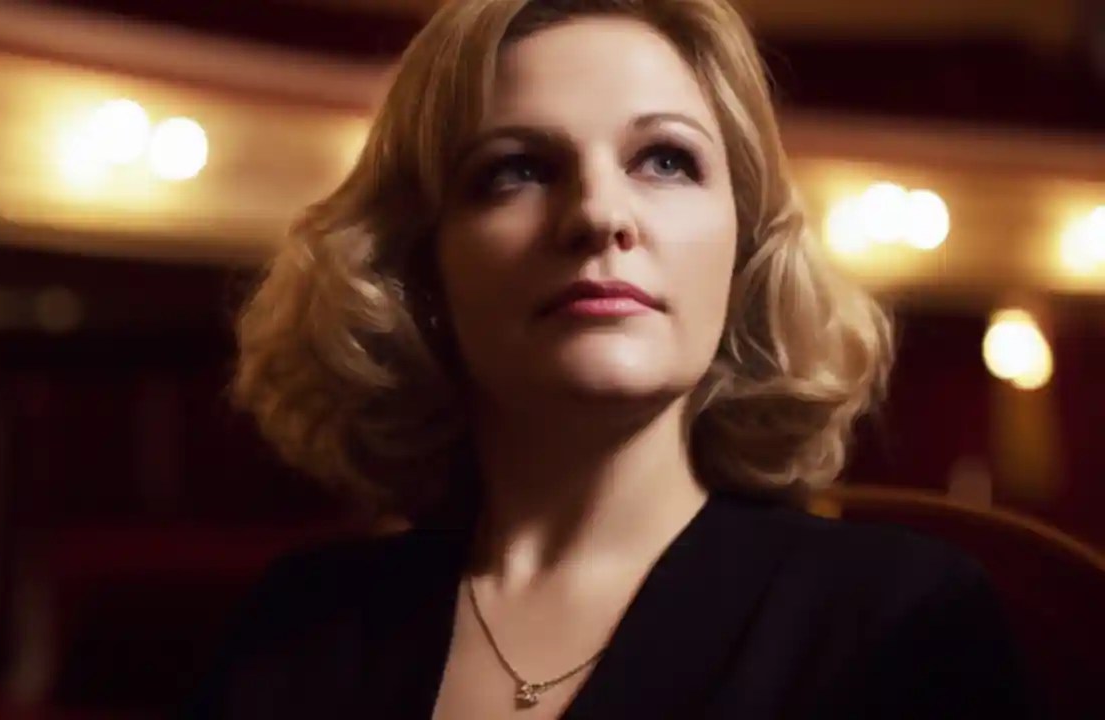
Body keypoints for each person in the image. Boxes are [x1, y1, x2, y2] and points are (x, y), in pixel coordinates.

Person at [189, 0, 1036, 717]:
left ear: (741, 252)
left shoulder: (902, 618)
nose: (599, 213)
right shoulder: (296, 627)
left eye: (665, 160)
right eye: (516, 169)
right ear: (422, 268)